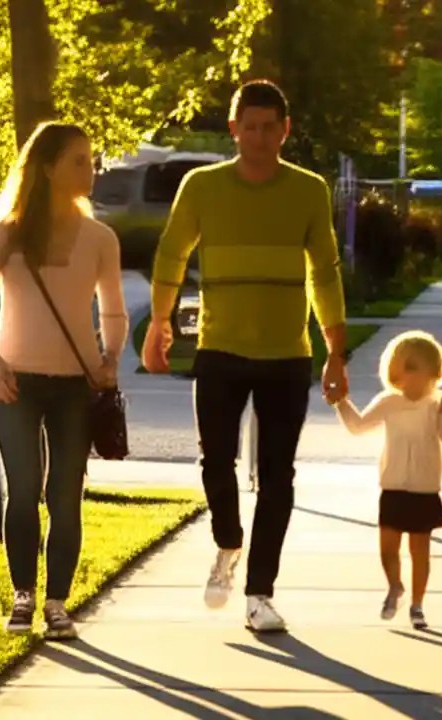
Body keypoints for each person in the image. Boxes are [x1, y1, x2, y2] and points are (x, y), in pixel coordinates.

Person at [141, 79, 349, 633]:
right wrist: (159, 322)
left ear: (285, 130)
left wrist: (335, 351)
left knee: (278, 477)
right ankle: (228, 542)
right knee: (216, 461)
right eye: (249, 127)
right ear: (233, 129)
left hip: (287, 354)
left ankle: (260, 594)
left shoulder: (308, 190)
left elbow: (325, 272)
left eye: (269, 128)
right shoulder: (202, 186)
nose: (259, 138)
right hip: (220, 349)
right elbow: (171, 254)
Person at [0, 121, 128, 640]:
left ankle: (57, 603)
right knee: (23, 489)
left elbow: (114, 311)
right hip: (14, 382)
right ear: (49, 167)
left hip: (76, 385)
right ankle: (23, 596)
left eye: (91, 159)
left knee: (65, 494)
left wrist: (111, 357)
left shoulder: (100, 239)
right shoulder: (3, 236)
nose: (90, 169)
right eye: (79, 160)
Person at [330, 330, 442, 630]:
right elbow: (359, 425)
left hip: (424, 489)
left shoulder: (435, 403)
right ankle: (394, 586)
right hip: (393, 487)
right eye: (403, 370)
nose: (409, 378)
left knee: (419, 551)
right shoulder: (389, 402)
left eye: (415, 369)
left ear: (433, 372)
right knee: (388, 547)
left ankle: (417, 604)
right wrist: (341, 402)